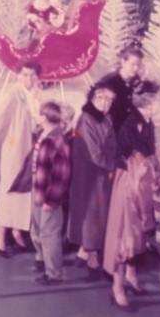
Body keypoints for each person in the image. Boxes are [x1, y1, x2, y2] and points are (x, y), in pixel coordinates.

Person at [103, 81, 160, 311]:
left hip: (140, 181)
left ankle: (131, 276)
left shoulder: (148, 122)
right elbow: (129, 152)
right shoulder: (131, 123)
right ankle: (117, 286)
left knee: (137, 235)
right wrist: (146, 167)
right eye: (159, 99)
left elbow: (150, 152)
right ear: (149, 102)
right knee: (125, 237)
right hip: (129, 184)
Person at [0, 62, 41, 257]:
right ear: (18, 76)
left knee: (23, 192)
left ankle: (17, 231)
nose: (29, 79)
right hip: (13, 151)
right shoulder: (12, 96)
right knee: (9, 192)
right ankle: (0, 235)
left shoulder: (34, 96)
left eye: (33, 75)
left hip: (27, 151)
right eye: (25, 75)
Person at [67, 79, 117, 281]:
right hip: (89, 175)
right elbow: (94, 153)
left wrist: (114, 158)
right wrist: (113, 164)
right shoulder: (86, 119)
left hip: (101, 174)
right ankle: (93, 259)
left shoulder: (106, 119)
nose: (106, 103)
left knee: (95, 214)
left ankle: (83, 251)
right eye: (102, 98)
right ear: (93, 98)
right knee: (92, 215)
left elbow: (112, 144)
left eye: (110, 100)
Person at [30, 101, 72, 286]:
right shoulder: (44, 135)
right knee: (38, 228)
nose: (37, 116)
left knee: (50, 233)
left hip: (48, 194)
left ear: (46, 117)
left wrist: (52, 199)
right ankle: (45, 261)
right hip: (39, 189)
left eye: (40, 114)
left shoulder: (55, 141)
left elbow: (61, 174)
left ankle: (54, 273)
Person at [105, 46, 145, 134]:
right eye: (133, 64)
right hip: (113, 133)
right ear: (123, 62)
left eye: (138, 65)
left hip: (132, 132)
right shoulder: (109, 83)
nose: (136, 69)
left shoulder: (137, 81)